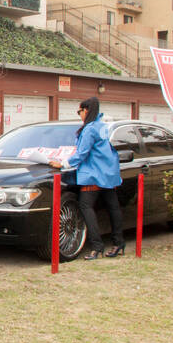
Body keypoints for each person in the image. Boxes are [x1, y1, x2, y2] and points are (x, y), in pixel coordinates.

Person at [50, 96, 124, 259]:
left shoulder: (89, 129)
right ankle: (119, 243)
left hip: (94, 173)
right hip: (108, 173)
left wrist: (63, 164)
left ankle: (97, 247)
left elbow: (82, 153)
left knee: (85, 206)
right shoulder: (102, 126)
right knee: (113, 207)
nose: (79, 115)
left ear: (87, 110)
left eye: (80, 111)